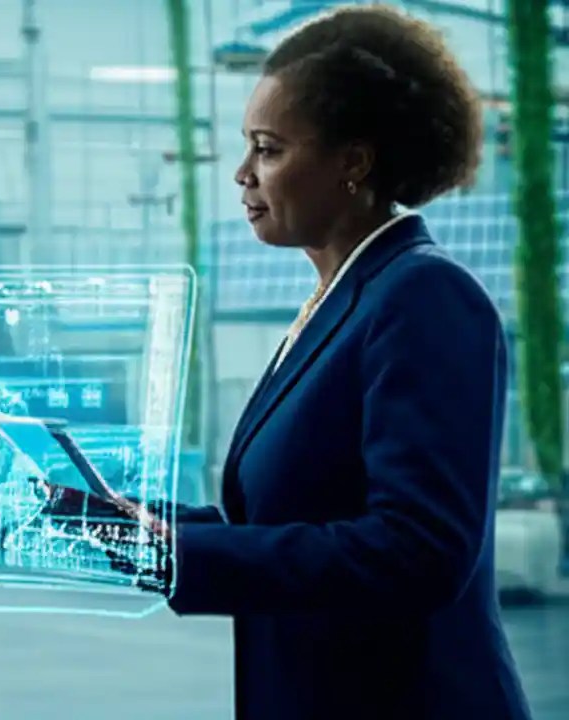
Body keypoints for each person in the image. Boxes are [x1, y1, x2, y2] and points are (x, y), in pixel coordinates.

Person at [109, 6, 532, 720]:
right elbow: (293, 512)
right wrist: (141, 529)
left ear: (353, 162)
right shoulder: (337, 304)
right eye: (247, 147)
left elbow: (418, 550)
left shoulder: (424, 296)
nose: (242, 174)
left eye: (269, 150)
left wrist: (189, 560)